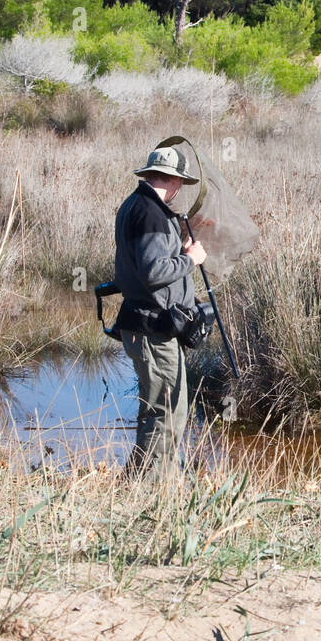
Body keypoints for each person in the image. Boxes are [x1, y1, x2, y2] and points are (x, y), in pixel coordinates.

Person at [113, 144, 207, 479]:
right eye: (180, 181)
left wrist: (176, 253)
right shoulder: (151, 213)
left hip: (147, 326)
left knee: (165, 408)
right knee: (165, 411)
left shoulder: (135, 205)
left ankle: (155, 483)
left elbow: (146, 264)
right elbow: (153, 272)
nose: (180, 189)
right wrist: (190, 260)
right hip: (152, 328)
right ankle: (150, 490)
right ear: (173, 180)